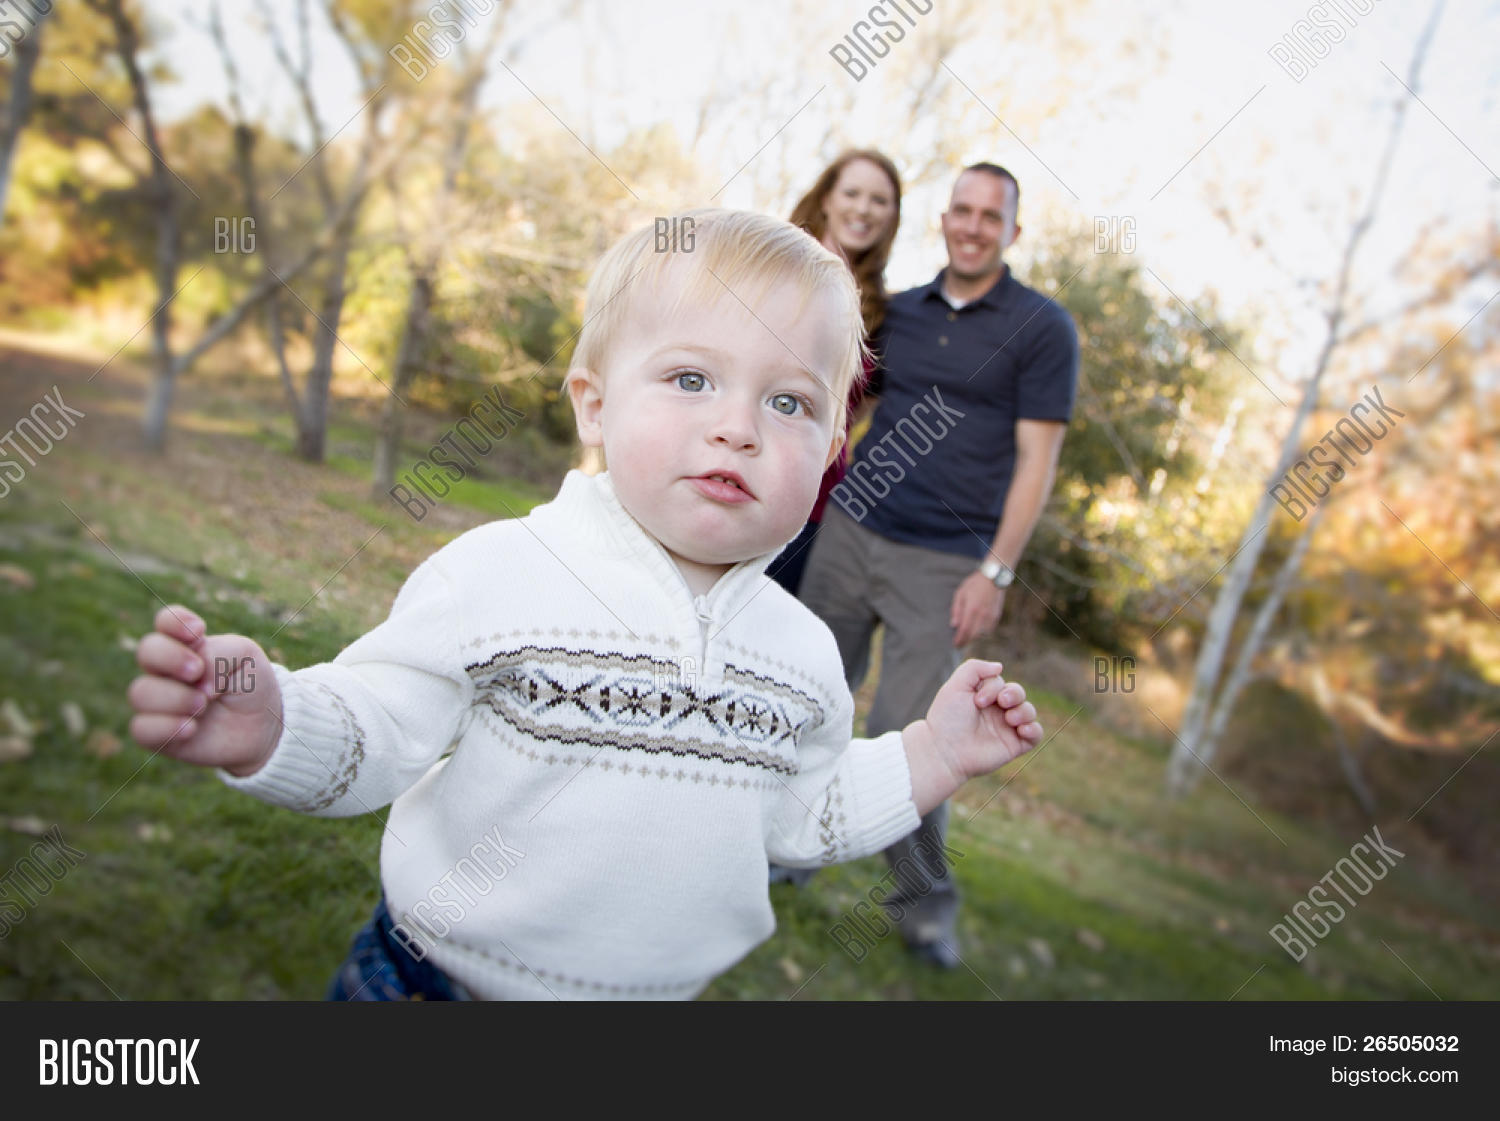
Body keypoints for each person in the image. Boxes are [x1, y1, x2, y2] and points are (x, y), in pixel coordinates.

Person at [125, 207, 1046, 1001]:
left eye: (791, 402)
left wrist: (931, 753)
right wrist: (277, 722)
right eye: (692, 379)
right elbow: (378, 730)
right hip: (431, 987)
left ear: (834, 449)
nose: (738, 425)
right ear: (595, 407)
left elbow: (802, 815)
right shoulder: (501, 575)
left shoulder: (800, 656)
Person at [798, 163, 1080, 969]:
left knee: (912, 734)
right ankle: (784, 851)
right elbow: (838, 396)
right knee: (809, 697)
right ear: (943, 219)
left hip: (944, 561)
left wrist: (995, 571)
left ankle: (924, 909)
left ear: (1014, 232)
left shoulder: (1041, 328)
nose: (973, 224)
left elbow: (1038, 460)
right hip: (850, 530)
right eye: (961, 209)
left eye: (992, 215)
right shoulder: (902, 312)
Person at [766, 149, 901, 596]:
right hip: (733, 454)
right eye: (853, 193)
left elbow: (860, 408)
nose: (863, 208)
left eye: (879, 200)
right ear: (826, 197)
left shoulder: (883, 311)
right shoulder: (768, 264)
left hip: (807, 499)